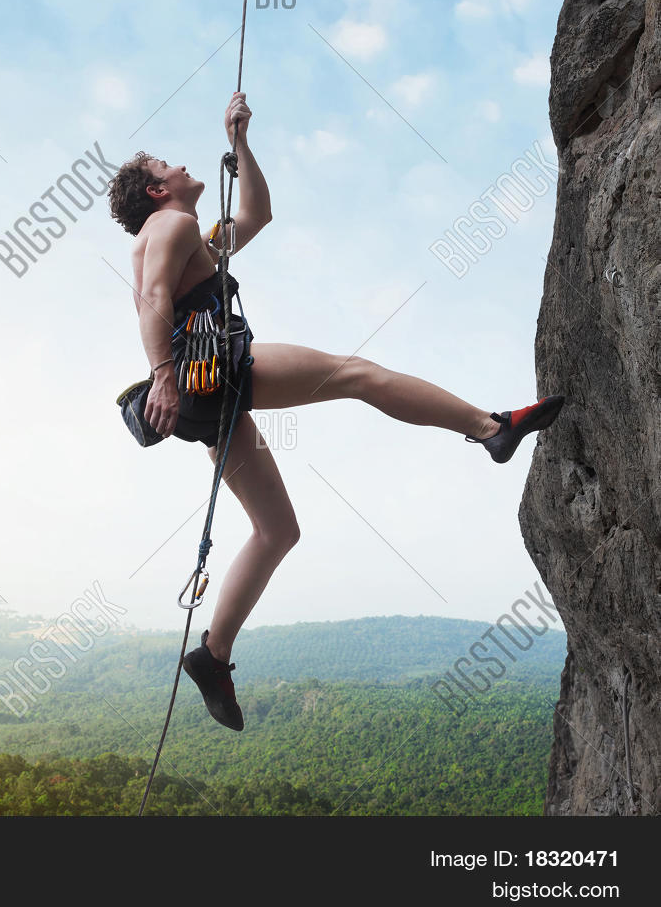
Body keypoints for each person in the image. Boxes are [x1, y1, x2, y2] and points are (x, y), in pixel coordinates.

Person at [110, 91, 565, 731]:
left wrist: (241, 145)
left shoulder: (190, 237)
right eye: (167, 166)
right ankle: (491, 428)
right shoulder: (173, 227)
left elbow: (258, 216)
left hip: (206, 401)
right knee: (357, 374)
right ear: (157, 192)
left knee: (277, 531)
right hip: (208, 378)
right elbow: (152, 298)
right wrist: (163, 377)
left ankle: (213, 655)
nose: (181, 166)